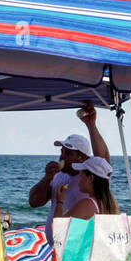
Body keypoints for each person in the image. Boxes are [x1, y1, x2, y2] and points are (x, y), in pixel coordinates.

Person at [26, 102, 110, 241]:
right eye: (62, 152)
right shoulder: (57, 176)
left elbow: (103, 159)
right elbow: (34, 202)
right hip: (57, 249)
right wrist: (47, 178)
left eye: (68, 153)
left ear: (82, 157)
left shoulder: (91, 177)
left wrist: (91, 126)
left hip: (73, 249)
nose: (62, 157)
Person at [57, 156, 118, 221]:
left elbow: (58, 228)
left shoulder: (87, 204)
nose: (79, 180)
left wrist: (60, 201)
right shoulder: (111, 205)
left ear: (90, 178)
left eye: (81, 175)